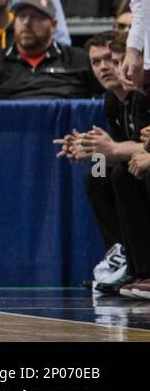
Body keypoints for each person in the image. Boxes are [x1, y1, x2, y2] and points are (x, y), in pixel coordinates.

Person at [55, 32, 150, 299]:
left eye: (111, 59)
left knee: (124, 173)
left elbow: (136, 149)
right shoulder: (112, 101)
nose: (105, 67)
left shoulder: (141, 96)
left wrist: (111, 150)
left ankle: (139, 263)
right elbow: (113, 148)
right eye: (96, 62)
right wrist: (88, 149)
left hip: (139, 167)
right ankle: (119, 252)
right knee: (95, 175)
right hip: (131, 163)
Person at [0, 0, 98, 100]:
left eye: (36, 17)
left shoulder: (78, 59)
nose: (26, 22)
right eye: (21, 16)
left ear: (53, 25)